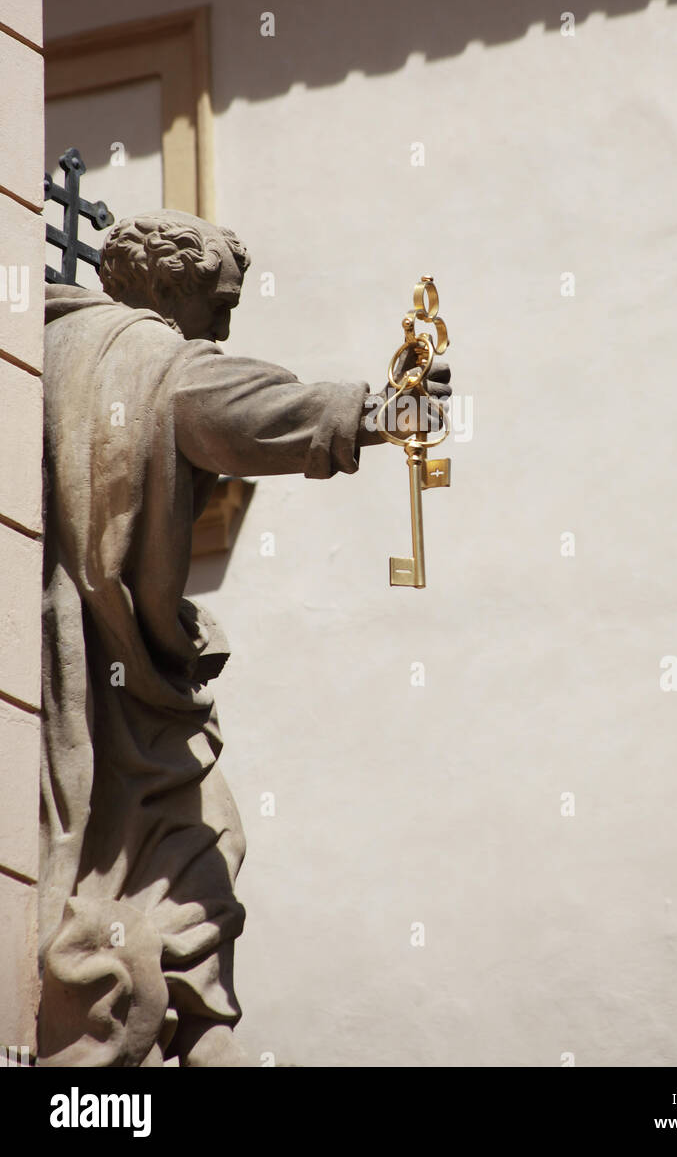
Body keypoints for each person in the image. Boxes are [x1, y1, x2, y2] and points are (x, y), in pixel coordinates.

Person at [38, 211, 450, 1066]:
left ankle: (197, 1039)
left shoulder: (49, 350)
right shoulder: (141, 355)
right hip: (105, 684)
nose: (225, 327)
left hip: (108, 670)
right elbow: (232, 410)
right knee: (194, 855)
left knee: (193, 860)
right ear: (162, 285)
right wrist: (378, 411)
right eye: (217, 304)